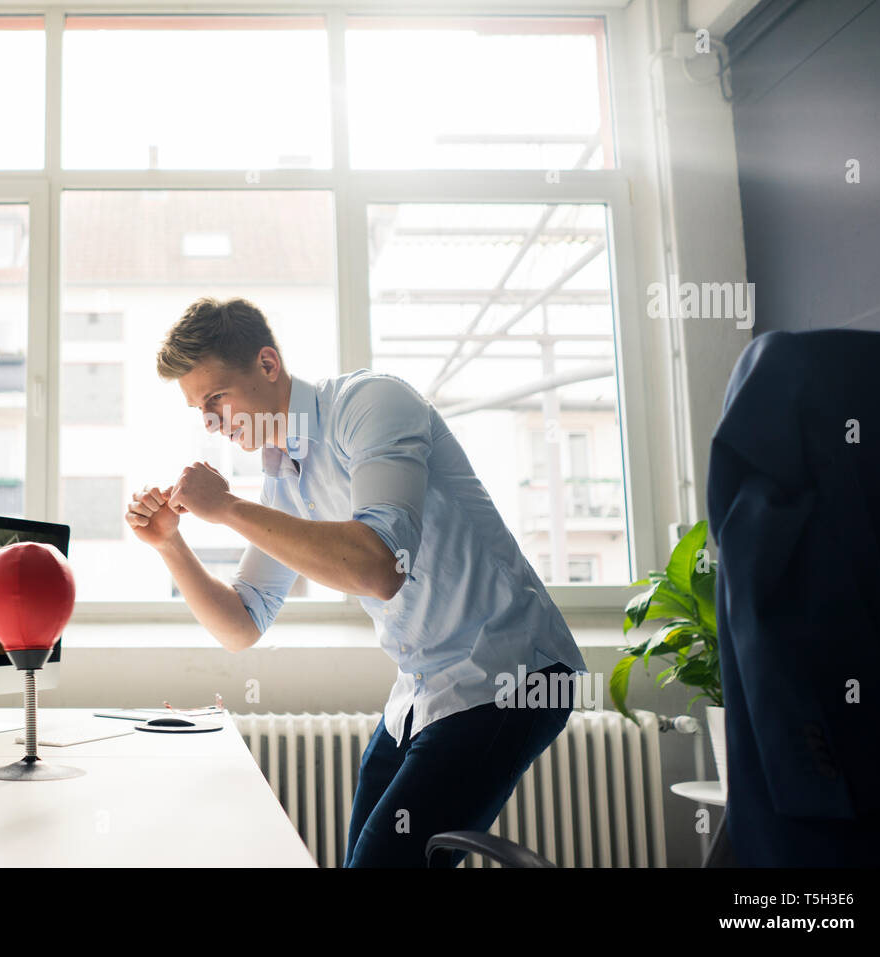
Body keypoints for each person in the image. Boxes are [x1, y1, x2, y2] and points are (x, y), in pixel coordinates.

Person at [125, 296, 588, 867]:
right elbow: (242, 625)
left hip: (512, 671)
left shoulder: (370, 403)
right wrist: (171, 544)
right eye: (200, 409)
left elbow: (379, 567)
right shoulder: (284, 477)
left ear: (268, 365)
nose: (211, 423)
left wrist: (226, 507)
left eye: (216, 398)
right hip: (425, 688)